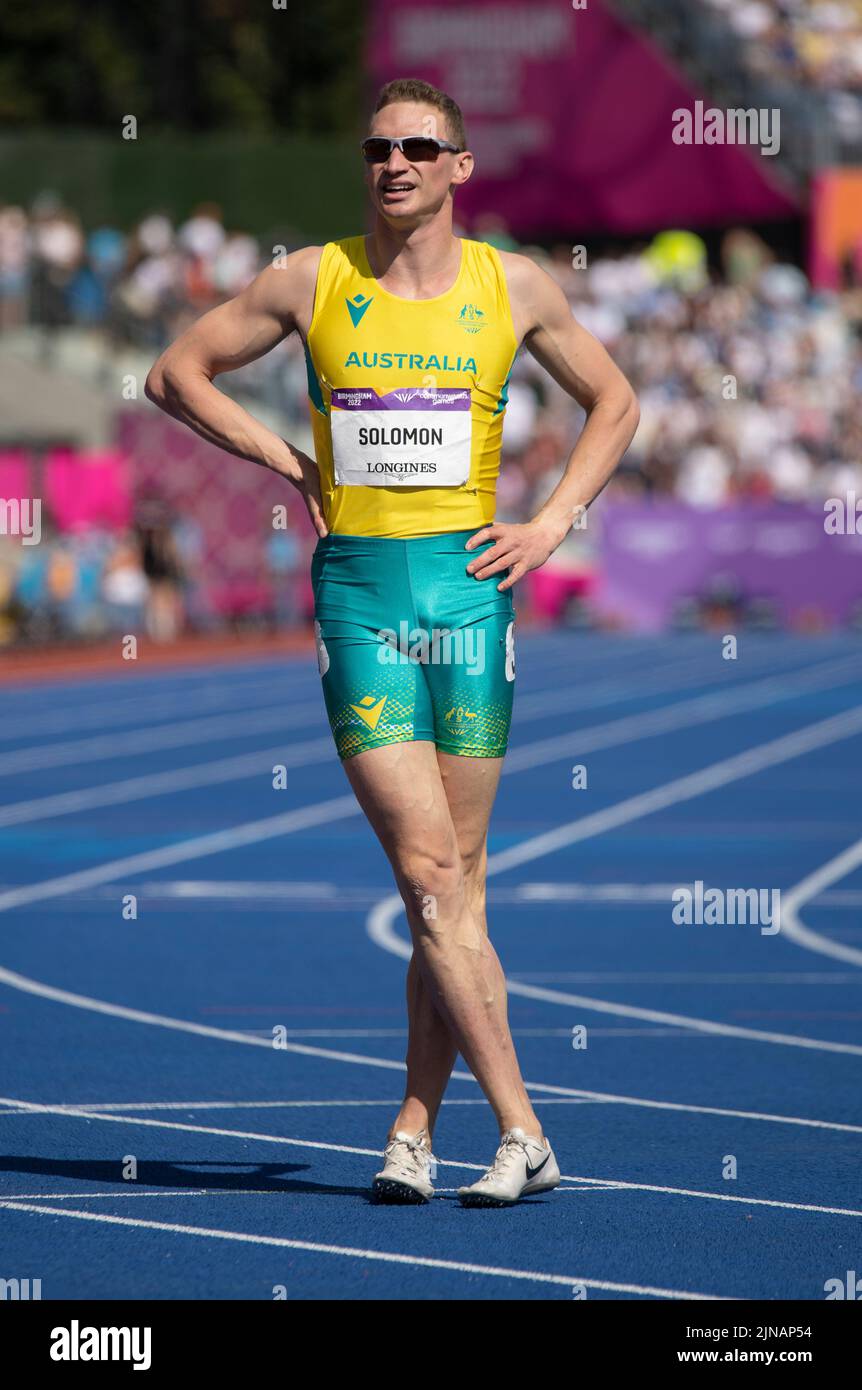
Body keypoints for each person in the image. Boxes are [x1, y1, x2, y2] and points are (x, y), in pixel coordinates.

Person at [145, 77, 639, 1206]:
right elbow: (173, 373)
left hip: (468, 601)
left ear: (460, 167)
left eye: (420, 146)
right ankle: (523, 1129)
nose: (396, 163)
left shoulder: (510, 286)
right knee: (425, 873)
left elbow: (616, 402)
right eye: (378, 147)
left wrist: (555, 519)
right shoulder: (311, 280)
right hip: (362, 598)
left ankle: (414, 1126)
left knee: (455, 888)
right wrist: (288, 460)